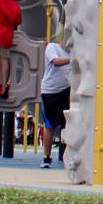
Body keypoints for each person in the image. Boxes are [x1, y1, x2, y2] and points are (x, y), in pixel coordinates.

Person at [40, 32, 72, 168]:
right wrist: (73, 59)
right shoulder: (52, 47)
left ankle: (69, 154)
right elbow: (56, 62)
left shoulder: (74, 52)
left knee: (69, 123)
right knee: (51, 125)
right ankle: (46, 156)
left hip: (67, 89)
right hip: (51, 91)